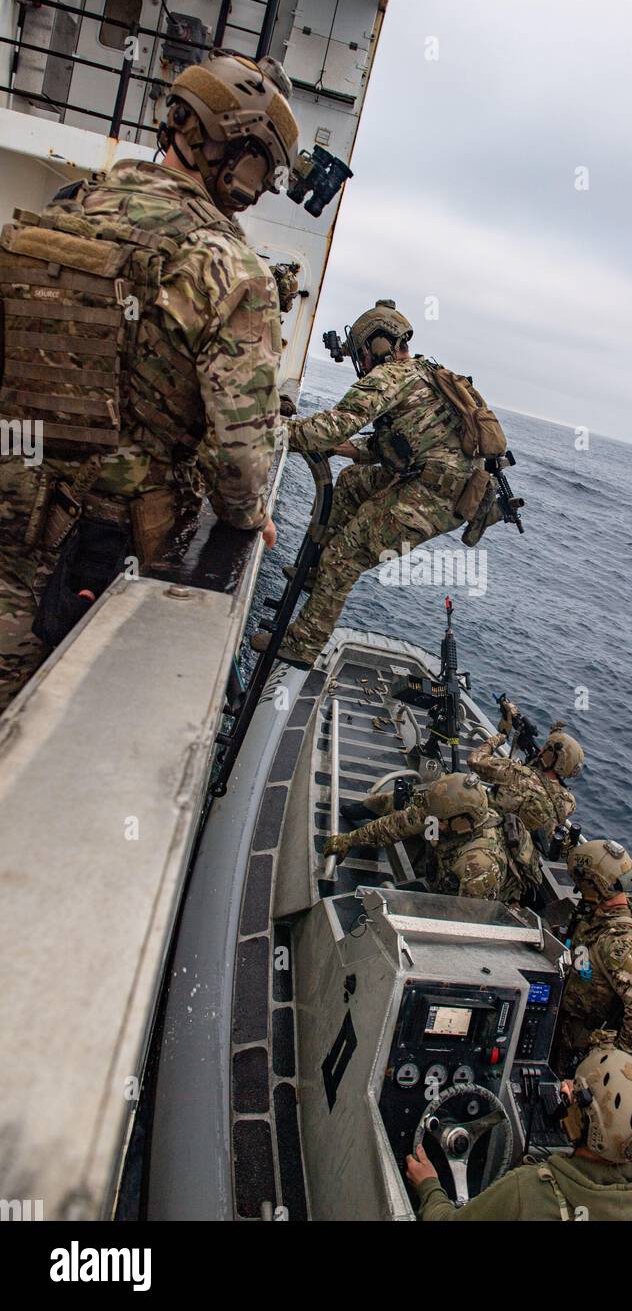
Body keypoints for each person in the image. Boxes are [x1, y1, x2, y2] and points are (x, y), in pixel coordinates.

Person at [0, 49, 300, 712]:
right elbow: (242, 462)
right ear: (241, 158)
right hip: (97, 555)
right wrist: (251, 515)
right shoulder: (234, 270)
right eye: (265, 168)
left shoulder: (66, 207)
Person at [251, 300, 497, 667]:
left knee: (344, 558)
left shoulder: (392, 377)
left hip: (435, 497)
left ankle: (302, 645)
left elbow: (336, 423)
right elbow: (408, 444)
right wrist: (347, 450)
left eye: (362, 355)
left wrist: (270, 432)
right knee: (351, 483)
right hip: (435, 483)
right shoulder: (424, 373)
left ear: (379, 345)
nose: (362, 365)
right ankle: (316, 574)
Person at [407, 1045, 632, 1221]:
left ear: (583, 1118)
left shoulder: (530, 1189)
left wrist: (429, 1186)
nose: (565, 1094)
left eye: (571, 1095)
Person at [551, 838, 632, 1072]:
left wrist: (607, 1061)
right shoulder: (605, 916)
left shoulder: (616, 944)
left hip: (586, 1050)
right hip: (570, 1026)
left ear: (591, 885)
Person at [323, 771, 526, 901]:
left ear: (463, 821)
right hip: (442, 870)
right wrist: (348, 840)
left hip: (465, 901)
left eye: (439, 821)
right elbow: (398, 825)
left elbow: (465, 924)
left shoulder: (478, 865)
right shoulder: (447, 814)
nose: (432, 822)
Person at [467, 705, 583, 835]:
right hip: (523, 850)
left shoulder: (514, 773)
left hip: (488, 835)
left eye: (546, 748)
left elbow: (474, 760)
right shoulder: (569, 803)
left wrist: (500, 736)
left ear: (550, 755)